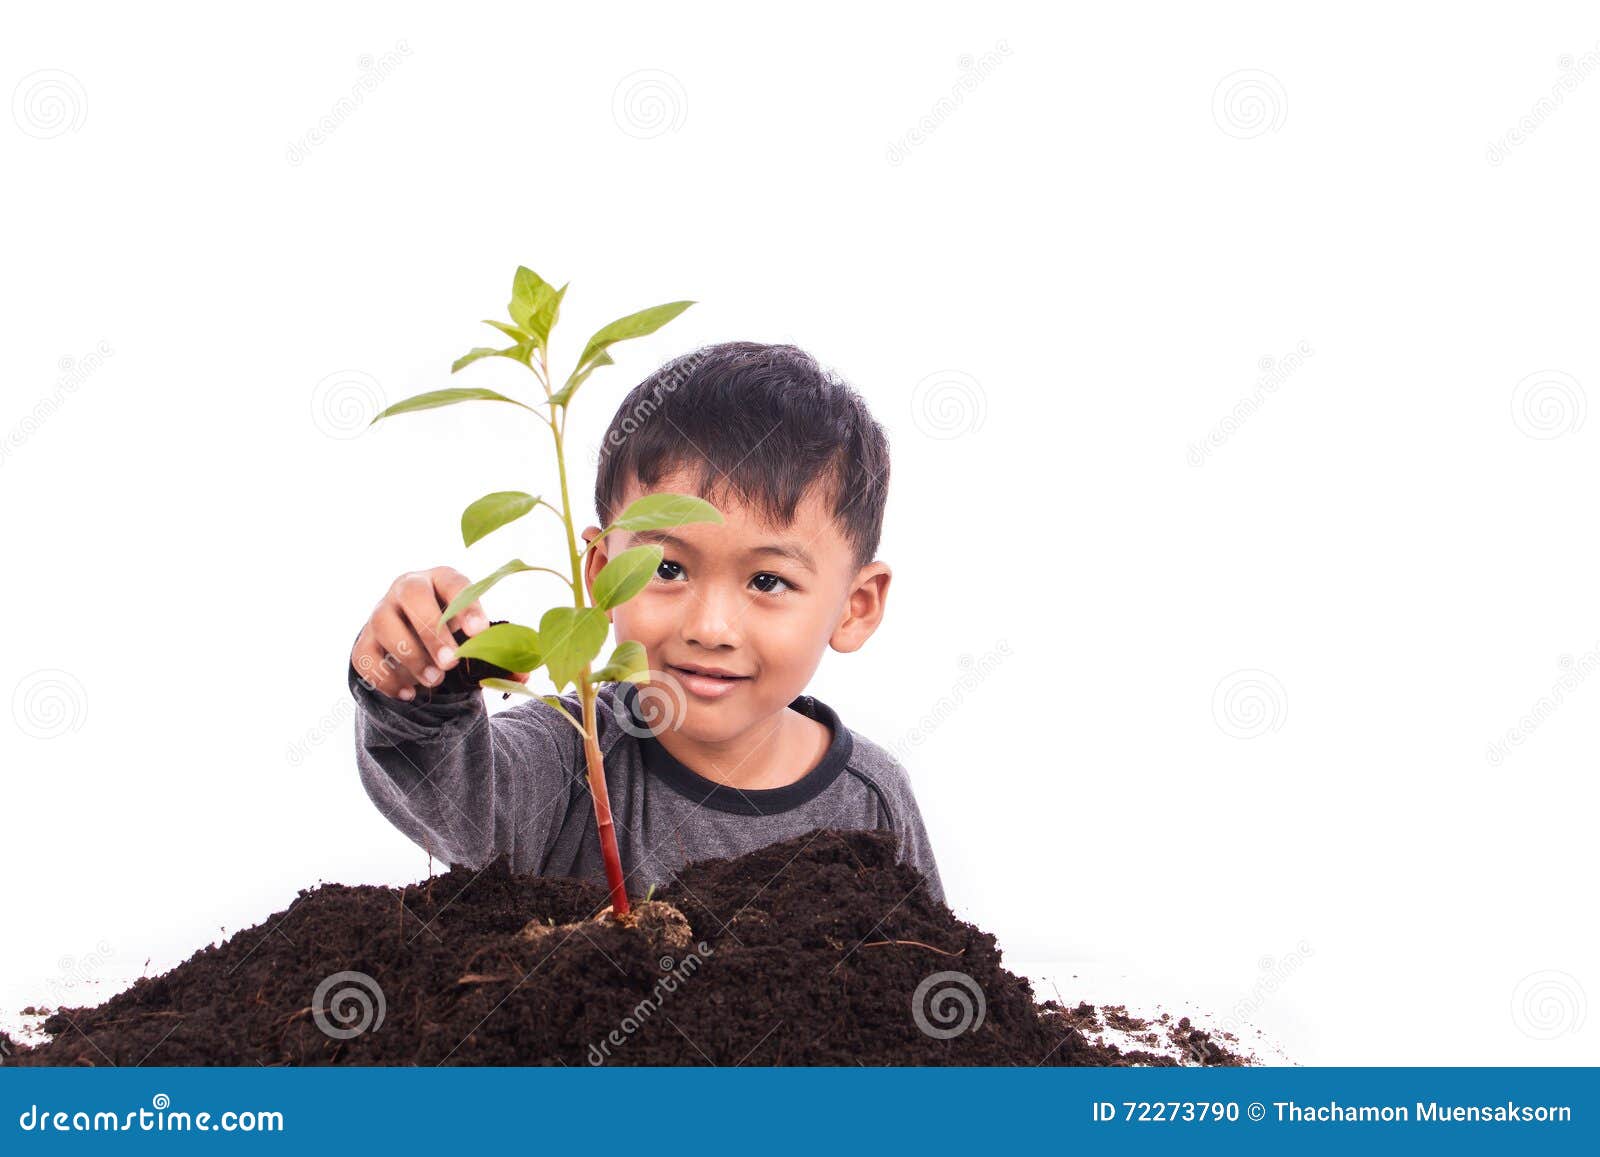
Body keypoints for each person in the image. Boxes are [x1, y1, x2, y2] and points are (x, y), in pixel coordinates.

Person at [347, 341, 944, 904]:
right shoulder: (571, 757)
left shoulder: (871, 804)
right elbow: (455, 801)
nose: (711, 628)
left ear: (855, 606)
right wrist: (416, 681)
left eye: (767, 581)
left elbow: (936, 964)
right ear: (604, 573)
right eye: (667, 567)